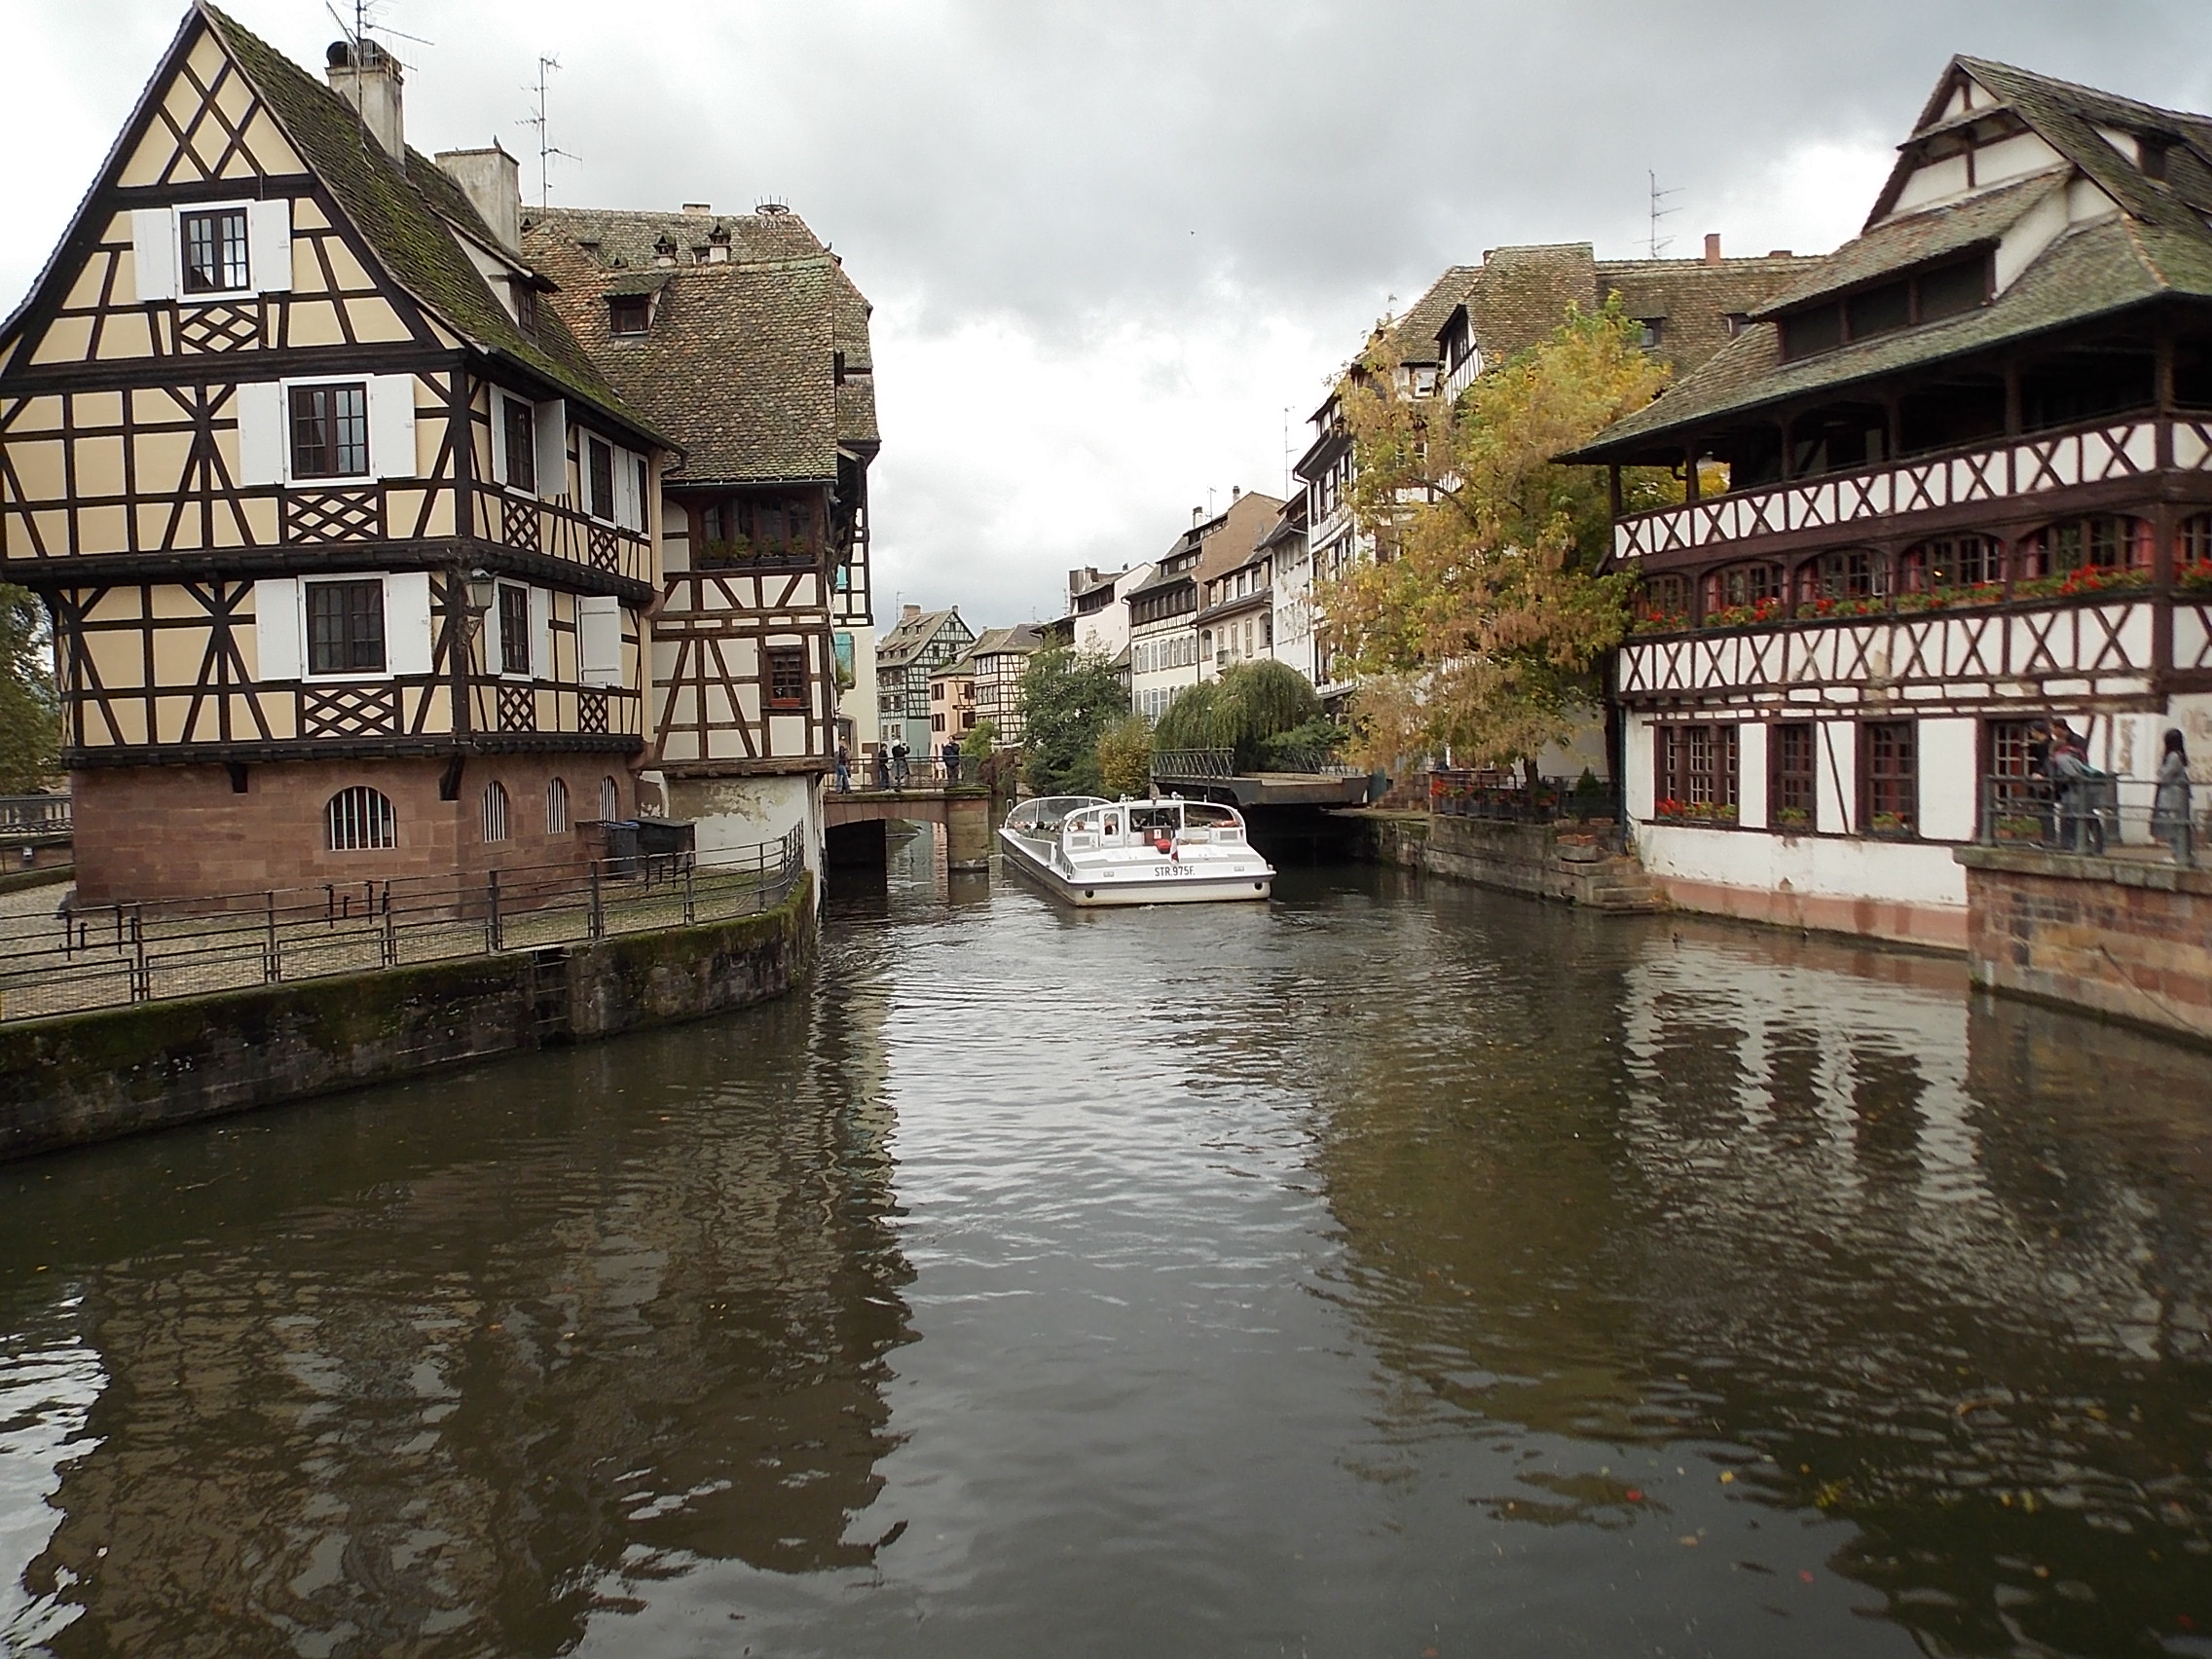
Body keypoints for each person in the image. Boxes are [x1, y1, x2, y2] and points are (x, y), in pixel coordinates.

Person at [2153, 727, 2194, 865]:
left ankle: (2177, 854)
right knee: (2177, 825)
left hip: (2172, 795)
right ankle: (2181, 853)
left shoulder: (2173, 757)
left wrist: (2159, 769)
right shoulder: (2179, 756)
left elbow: (2165, 775)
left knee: (2174, 826)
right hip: (2176, 794)